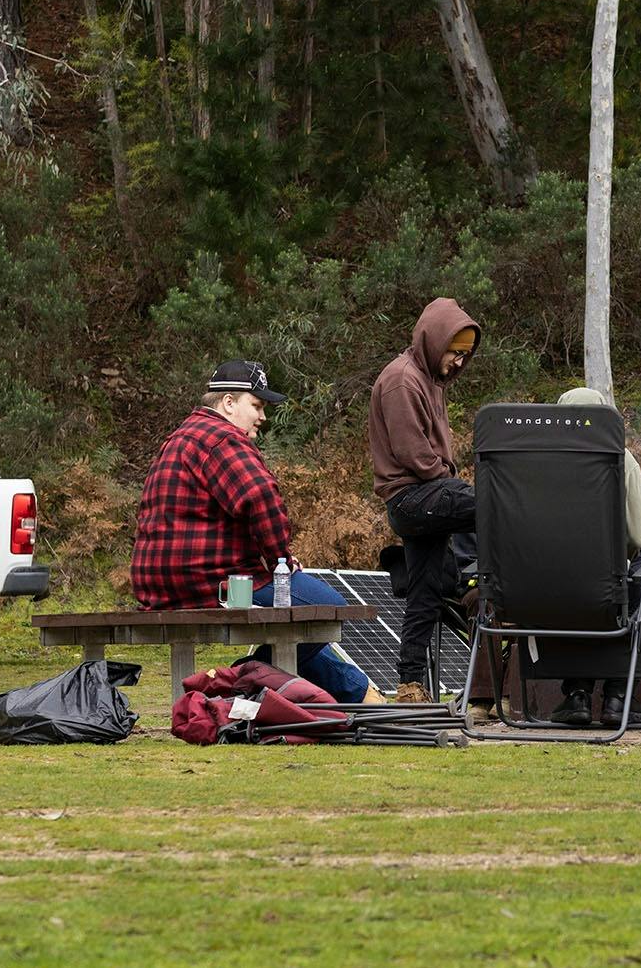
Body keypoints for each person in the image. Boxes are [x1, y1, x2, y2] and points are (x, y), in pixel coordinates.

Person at [131, 360, 373, 703]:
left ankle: (361, 697)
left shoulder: (182, 436)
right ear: (228, 403)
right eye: (256, 406)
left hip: (160, 586)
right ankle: (233, 682)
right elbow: (260, 497)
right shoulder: (222, 439)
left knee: (298, 637)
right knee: (324, 607)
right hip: (213, 581)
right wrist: (282, 561)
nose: (262, 417)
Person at [370, 298, 481, 704]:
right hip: (415, 496)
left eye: (464, 356)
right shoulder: (403, 379)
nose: (457, 362)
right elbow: (412, 453)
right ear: (434, 341)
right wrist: (453, 484)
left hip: (421, 498)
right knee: (502, 508)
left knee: (425, 592)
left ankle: (409, 683)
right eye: (455, 353)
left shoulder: (428, 379)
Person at [546, 386, 641, 728]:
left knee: (573, 599)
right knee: (636, 594)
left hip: (536, 588)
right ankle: (616, 699)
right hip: (604, 582)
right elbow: (636, 535)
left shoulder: (529, 455)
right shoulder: (622, 459)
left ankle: (576, 695)